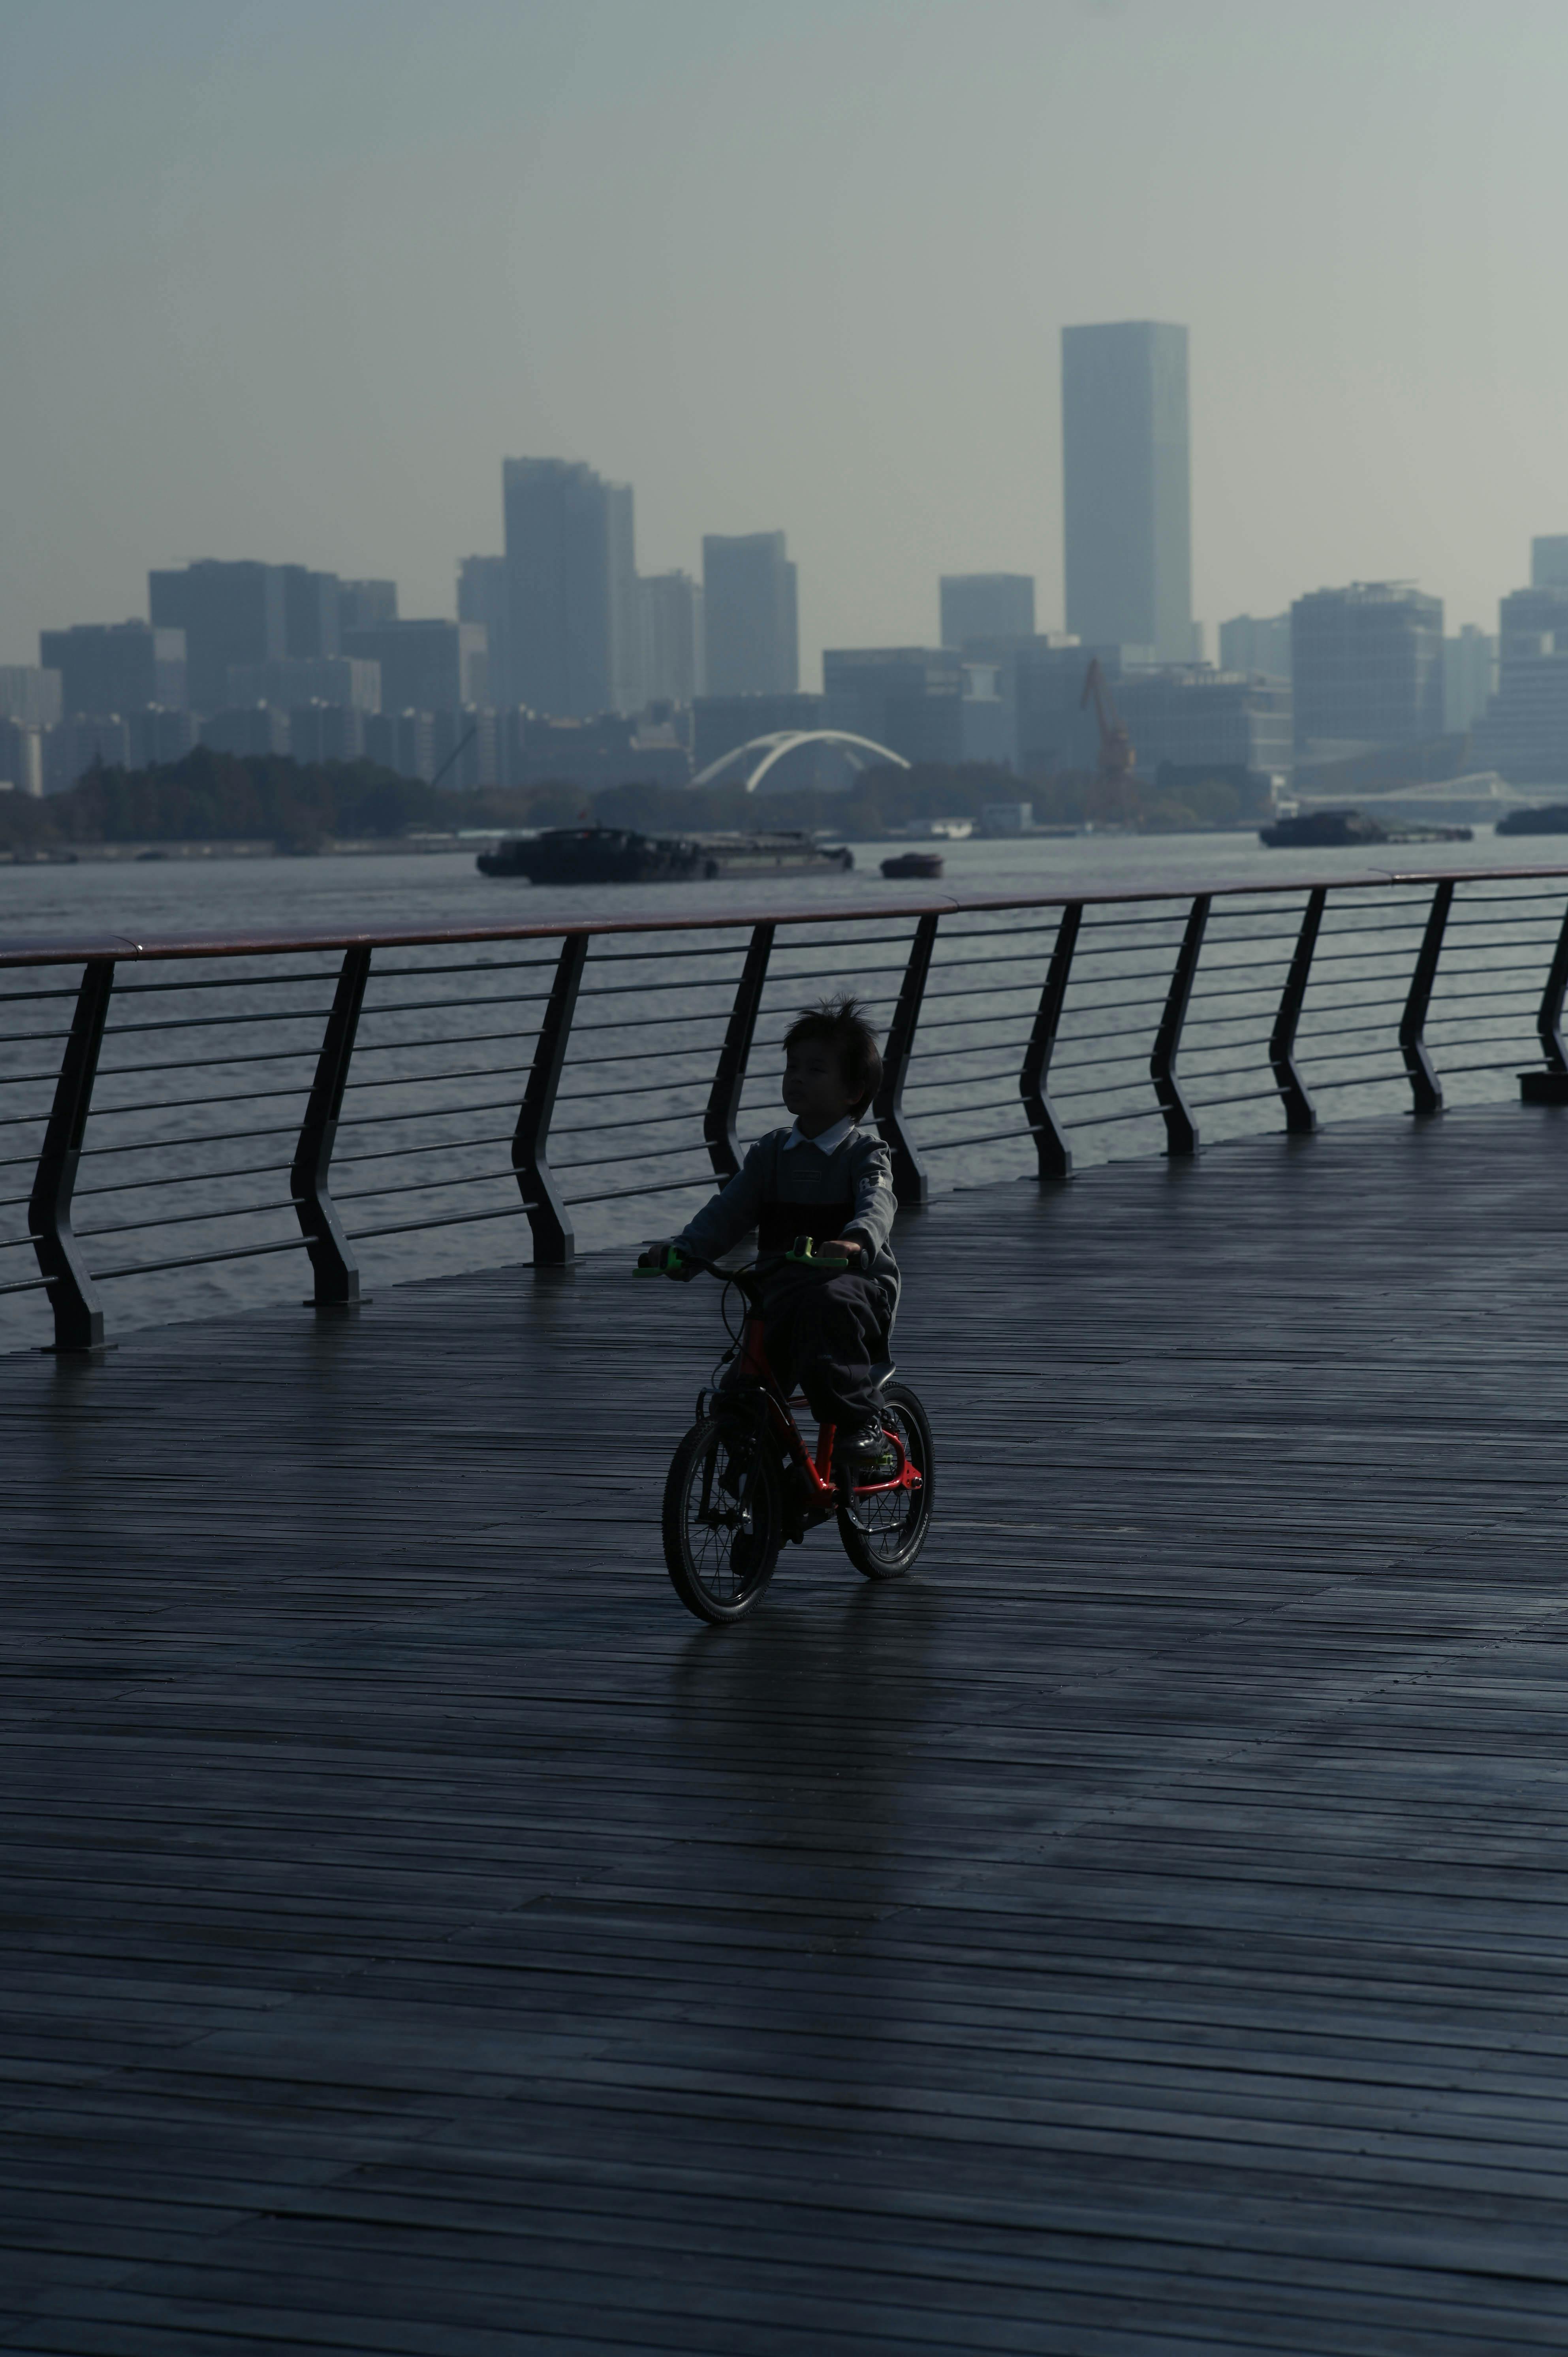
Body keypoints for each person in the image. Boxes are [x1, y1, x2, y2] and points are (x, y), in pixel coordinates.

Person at [640, 995, 899, 1465]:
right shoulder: (770, 1154)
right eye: (792, 1067)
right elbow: (727, 1212)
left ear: (854, 1092)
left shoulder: (865, 1154)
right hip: (780, 1292)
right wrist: (684, 1252)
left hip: (854, 1291)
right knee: (740, 1396)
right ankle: (757, 1492)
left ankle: (864, 1427)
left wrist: (854, 1240)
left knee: (828, 1308)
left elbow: (877, 1202)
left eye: (815, 1070)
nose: (796, 1077)